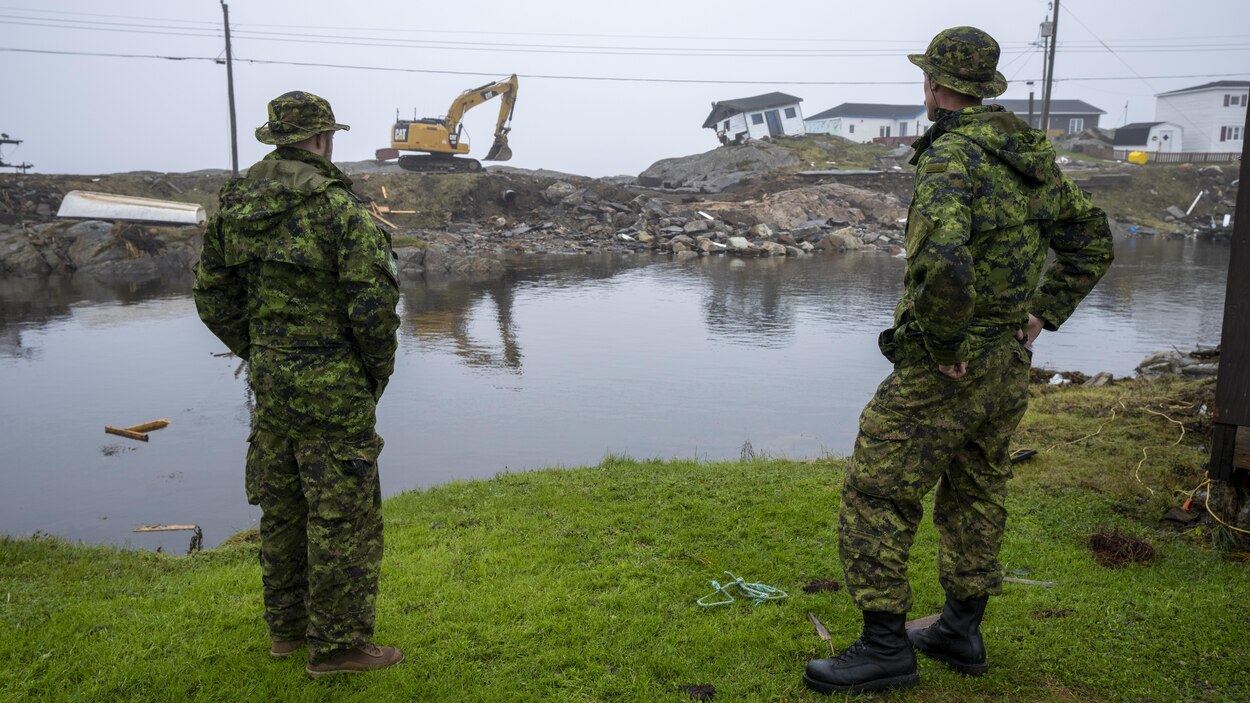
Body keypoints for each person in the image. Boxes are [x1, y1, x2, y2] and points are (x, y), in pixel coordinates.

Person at [803, 27, 1114, 694]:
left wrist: (945, 347)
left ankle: (885, 645)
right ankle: (960, 630)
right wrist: (1040, 315)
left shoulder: (952, 161)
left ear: (936, 88)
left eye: (926, 79)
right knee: (977, 486)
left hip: (950, 367)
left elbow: (944, 261)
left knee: (877, 490)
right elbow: (1092, 239)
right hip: (1006, 361)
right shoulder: (1028, 157)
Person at [194, 91, 403, 679]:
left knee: (283, 503)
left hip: (270, 378)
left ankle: (287, 631)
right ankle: (337, 648)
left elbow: (211, 295)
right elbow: (373, 306)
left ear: (278, 137)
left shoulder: (235, 204)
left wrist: (260, 350)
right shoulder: (338, 210)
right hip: (332, 380)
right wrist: (370, 373)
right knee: (342, 512)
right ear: (320, 140)